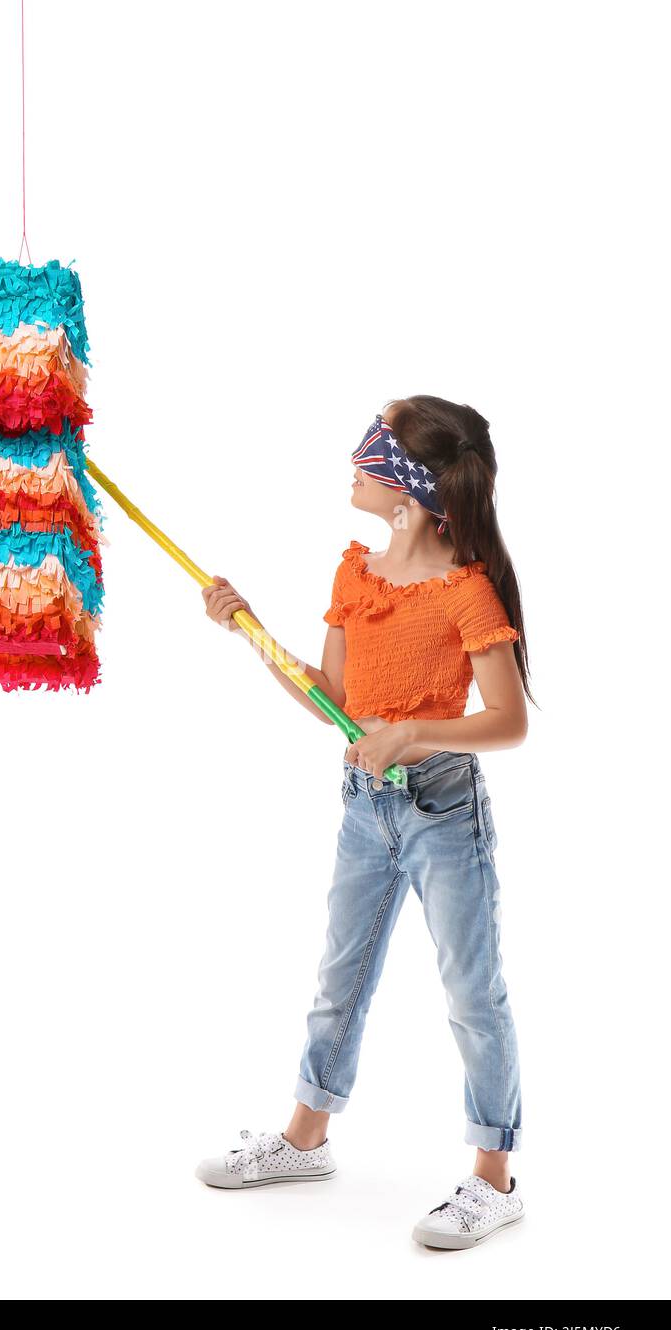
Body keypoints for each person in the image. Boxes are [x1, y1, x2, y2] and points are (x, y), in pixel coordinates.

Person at [195, 394, 530, 1250]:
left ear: (408, 493)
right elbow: (337, 703)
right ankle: (306, 1139)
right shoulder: (354, 574)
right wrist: (250, 632)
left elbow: (508, 722)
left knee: (471, 994)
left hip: (443, 812)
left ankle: (494, 1179)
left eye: (372, 453)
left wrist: (412, 731)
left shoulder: (466, 590)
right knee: (339, 978)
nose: (355, 464)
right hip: (362, 810)